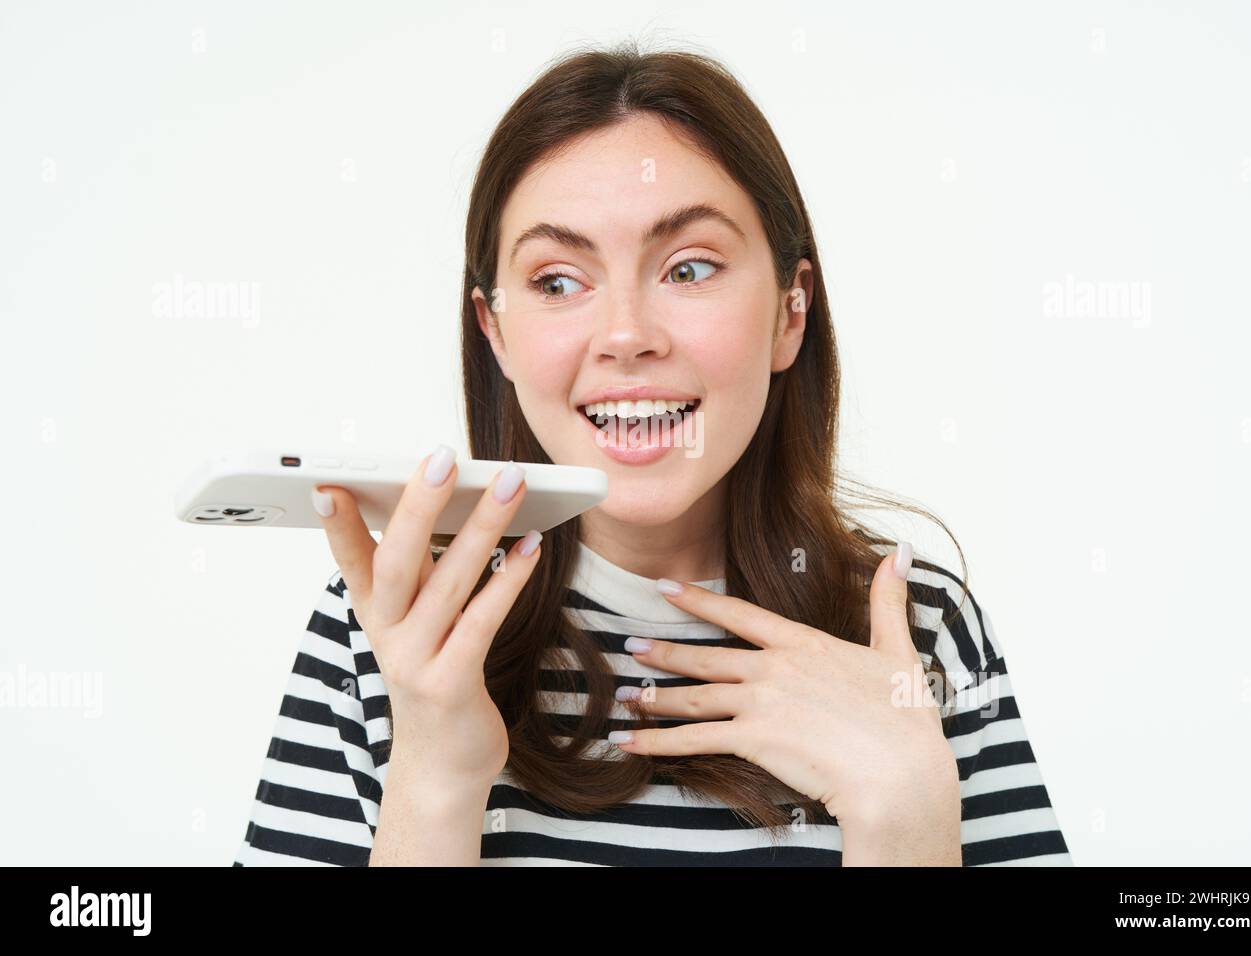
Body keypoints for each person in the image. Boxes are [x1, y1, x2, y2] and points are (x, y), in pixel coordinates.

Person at [234, 41, 1071, 867]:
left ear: (790, 312)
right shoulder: (394, 624)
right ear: (496, 334)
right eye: (558, 282)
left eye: (690, 267)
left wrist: (908, 821)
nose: (627, 336)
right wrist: (434, 779)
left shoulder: (914, 636)